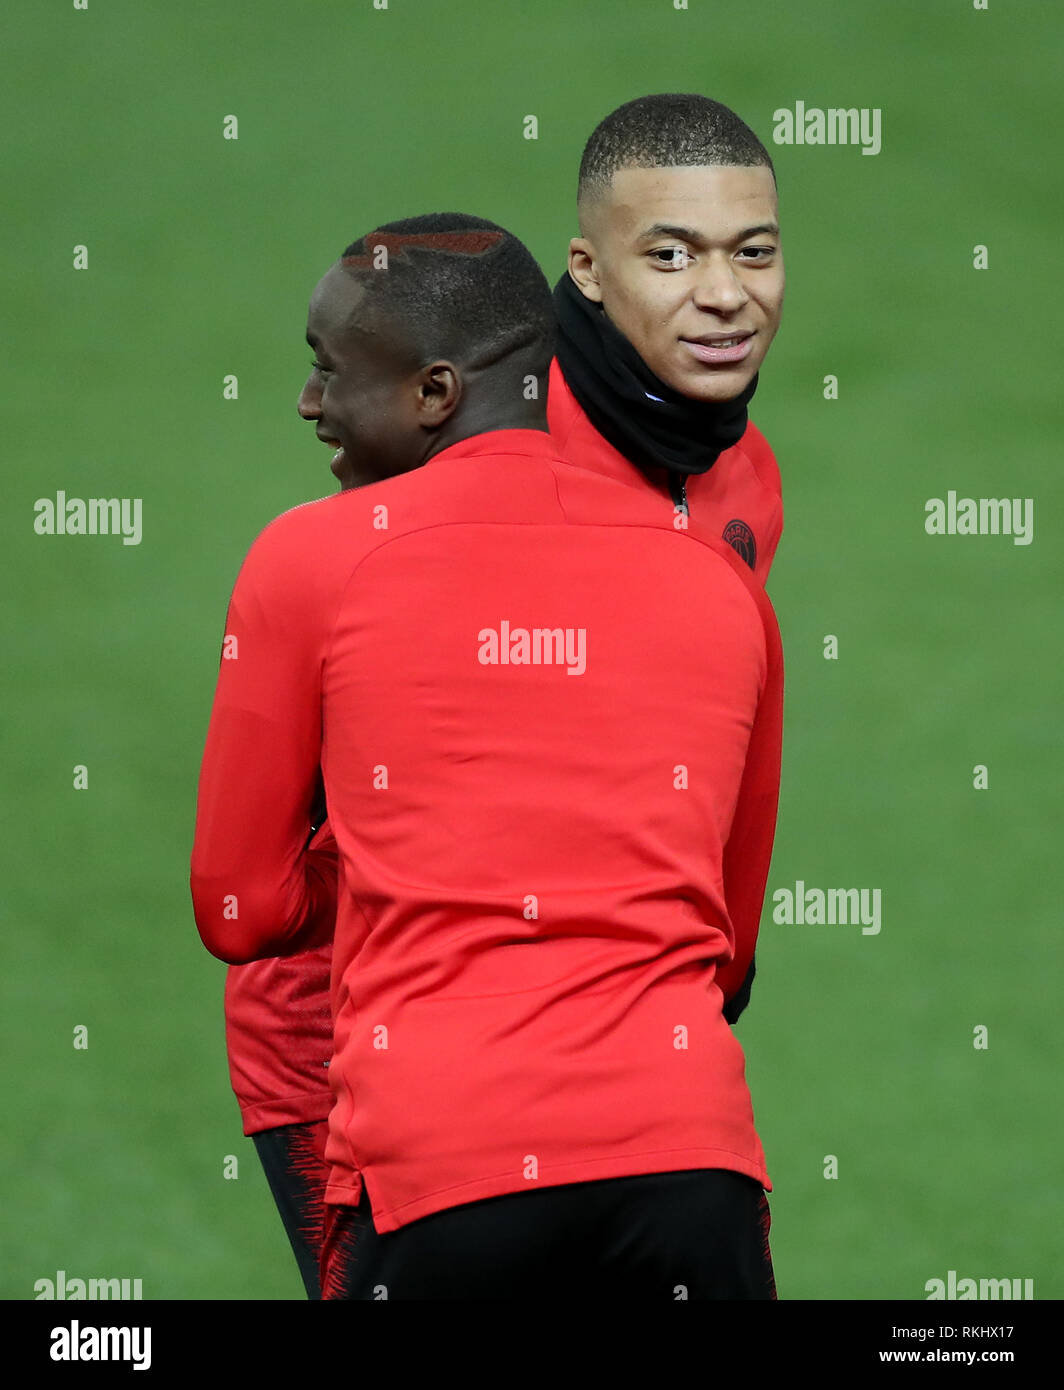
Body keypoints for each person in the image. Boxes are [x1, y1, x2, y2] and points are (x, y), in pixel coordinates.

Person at [220, 93, 786, 1299]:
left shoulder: (740, 490)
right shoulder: (469, 420)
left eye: (752, 251)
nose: (721, 295)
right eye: (669, 255)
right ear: (585, 270)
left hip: (604, 1069)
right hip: (351, 1049)